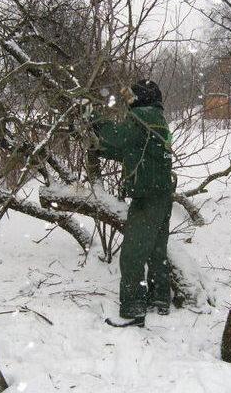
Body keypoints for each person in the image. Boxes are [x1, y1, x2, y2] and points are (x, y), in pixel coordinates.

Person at [92, 79, 174, 328]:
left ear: (141, 98)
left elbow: (117, 138)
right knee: (157, 251)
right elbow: (132, 149)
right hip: (162, 194)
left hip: (147, 197)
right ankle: (160, 298)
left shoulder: (142, 116)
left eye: (130, 98)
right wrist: (101, 149)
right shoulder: (157, 118)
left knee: (132, 256)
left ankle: (133, 308)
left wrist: (93, 118)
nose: (128, 103)